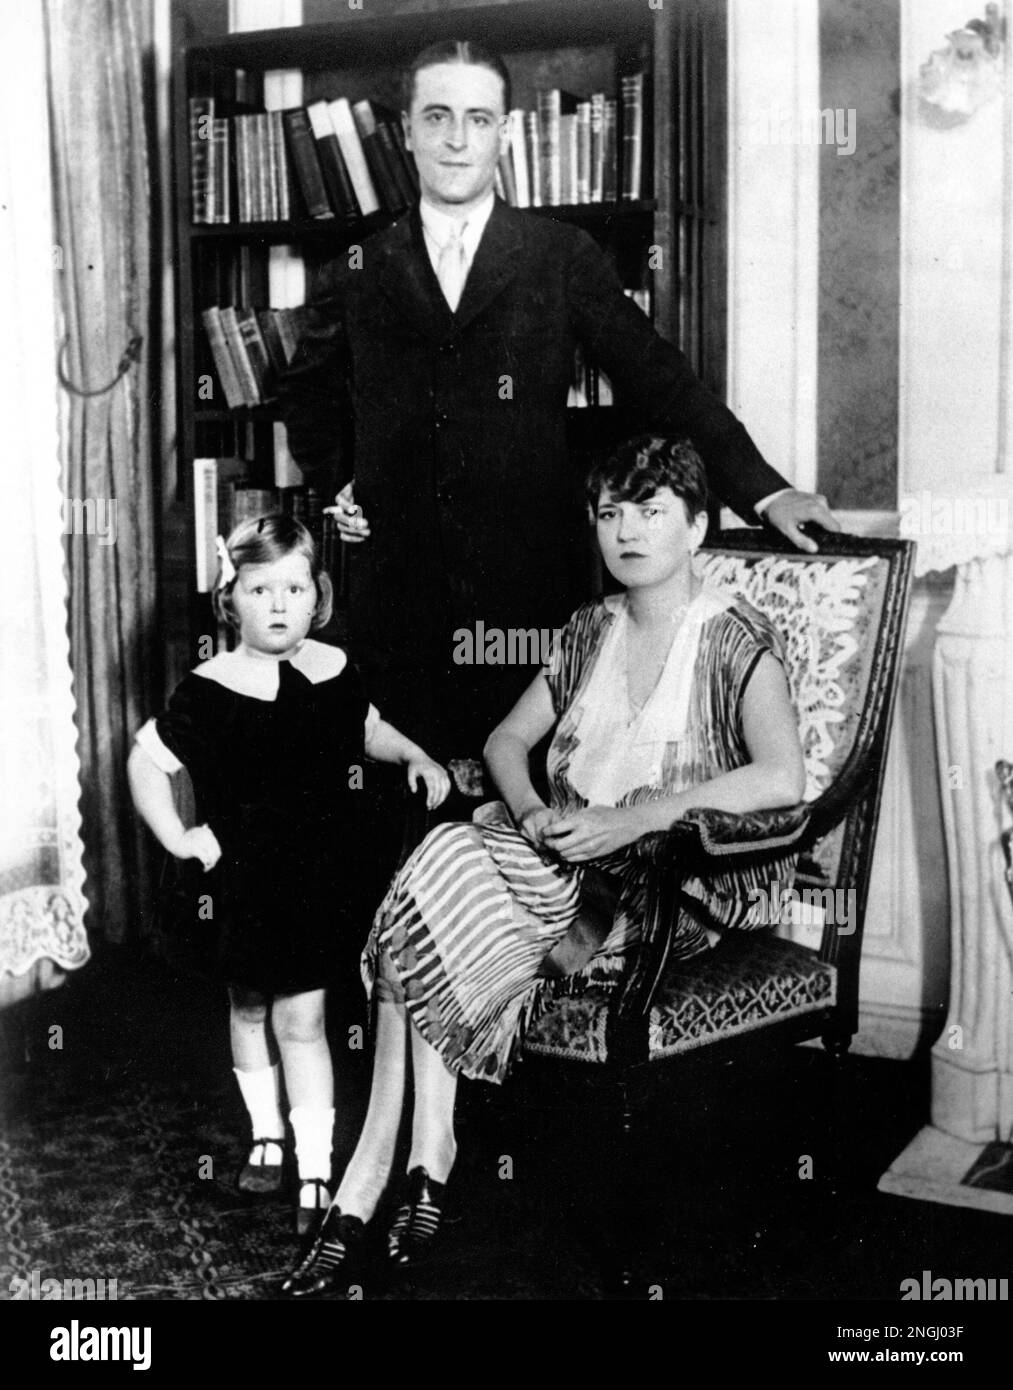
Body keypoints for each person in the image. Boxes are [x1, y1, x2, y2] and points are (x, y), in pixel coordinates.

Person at [281, 436, 805, 1296]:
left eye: (651, 512)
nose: (627, 532)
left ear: (698, 527)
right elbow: (504, 740)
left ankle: (379, 1177)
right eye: (610, 514)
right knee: (446, 860)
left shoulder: (734, 638)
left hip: (663, 888)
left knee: (435, 877)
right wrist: (528, 813)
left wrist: (631, 818)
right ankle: (416, 1162)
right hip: (554, 865)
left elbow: (782, 776)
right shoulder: (587, 629)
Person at [278, 38, 840, 768]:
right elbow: (304, 391)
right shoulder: (359, 263)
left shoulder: (558, 255)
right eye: (437, 117)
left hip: (530, 603)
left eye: (477, 119)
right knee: (410, 820)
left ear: (502, 133)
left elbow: (661, 381)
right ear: (408, 130)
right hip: (399, 605)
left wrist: (765, 491)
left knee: (537, 815)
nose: (456, 139)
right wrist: (339, 482)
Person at [127, 515, 450, 1238]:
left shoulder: (334, 670)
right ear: (230, 599)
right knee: (247, 1008)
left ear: (317, 596)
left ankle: (313, 1169)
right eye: (259, 588)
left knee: (301, 1020)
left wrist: (415, 756)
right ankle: (265, 1133)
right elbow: (146, 760)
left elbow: (367, 728)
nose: (277, 605)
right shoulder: (209, 688)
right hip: (240, 880)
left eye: (294, 588)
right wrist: (181, 838)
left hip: (318, 878)